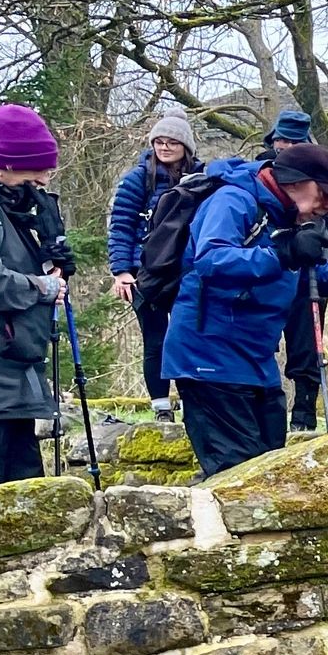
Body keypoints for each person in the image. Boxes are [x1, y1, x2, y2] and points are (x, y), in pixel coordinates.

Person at [163, 143, 328, 478]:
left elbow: (308, 275)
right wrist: (283, 254)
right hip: (209, 358)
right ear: (293, 182)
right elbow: (210, 259)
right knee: (237, 477)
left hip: (256, 361)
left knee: (271, 473)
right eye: (325, 194)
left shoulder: (288, 216)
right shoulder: (234, 200)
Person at [0, 105, 67, 492]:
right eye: (38, 166)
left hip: (1, 381)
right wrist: (38, 288)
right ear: (7, 163)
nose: (44, 176)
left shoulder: (0, 200)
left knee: (21, 499)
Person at [107, 109, 199, 421]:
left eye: (171, 141)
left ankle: (192, 403)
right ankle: (161, 406)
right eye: (158, 141)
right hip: (144, 272)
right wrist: (121, 271)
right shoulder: (137, 180)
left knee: (188, 337)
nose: (164, 147)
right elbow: (120, 226)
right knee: (155, 340)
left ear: (185, 146)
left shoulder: (201, 179)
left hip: (187, 271)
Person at [265, 109, 328, 432]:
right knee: (263, 341)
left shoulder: (319, 173)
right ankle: (267, 409)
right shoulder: (261, 172)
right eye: (281, 139)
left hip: (309, 274)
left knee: (307, 344)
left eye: (293, 140)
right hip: (272, 271)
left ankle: (304, 414)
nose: (285, 146)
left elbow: (326, 216)